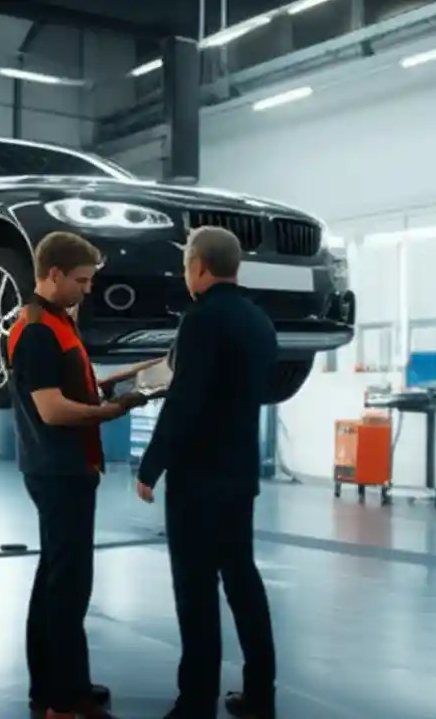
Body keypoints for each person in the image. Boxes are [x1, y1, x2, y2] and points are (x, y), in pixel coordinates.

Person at [135, 226, 280, 719]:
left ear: (198, 266)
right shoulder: (260, 321)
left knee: (195, 590)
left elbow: (185, 401)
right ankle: (260, 696)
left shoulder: (200, 319)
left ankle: (195, 703)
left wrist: (150, 465)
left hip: (198, 478)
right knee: (242, 581)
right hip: (240, 472)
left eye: (185, 267)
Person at [7, 231, 150, 719]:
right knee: (68, 587)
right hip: (58, 469)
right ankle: (65, 703)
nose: (88, 289)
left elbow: (71, 388)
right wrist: (113, 411)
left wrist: (121, 381)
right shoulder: (38, 331)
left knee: (55, 578)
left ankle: (53, 687)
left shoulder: (55, 323)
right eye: (82, 280)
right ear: (53, 275)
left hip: (61, 467)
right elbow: (51, 409)